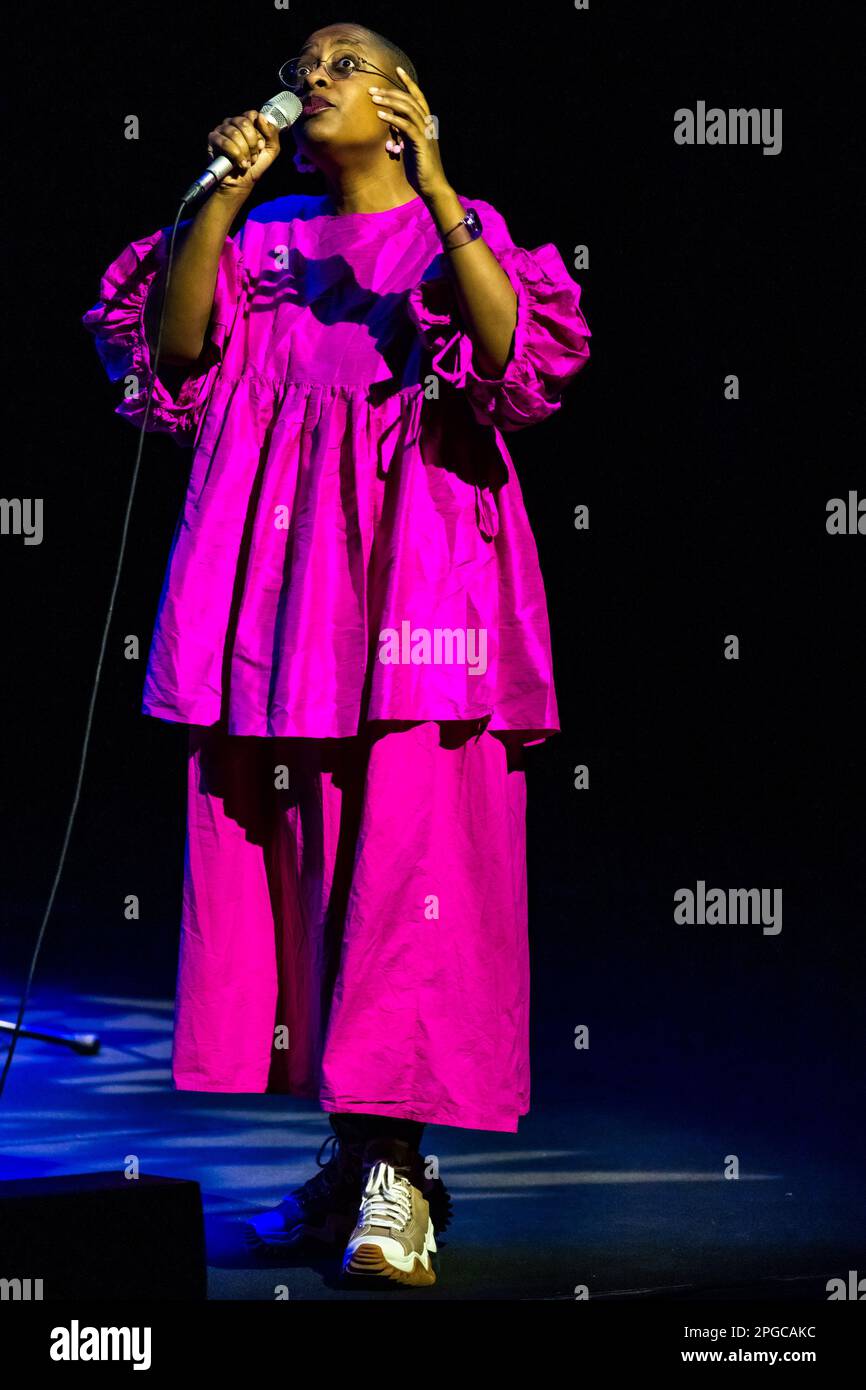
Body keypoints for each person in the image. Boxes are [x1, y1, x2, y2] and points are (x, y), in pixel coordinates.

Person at [81, 21, 591, 1288]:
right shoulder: (253, 241)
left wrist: (438, 190)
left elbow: (512, 359)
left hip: (418, 585)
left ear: (408, 99)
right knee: (303, 876)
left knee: (407, 870)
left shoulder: (450, 231)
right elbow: (175, 352)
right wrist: (217, 191)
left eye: (350, 62)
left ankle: (393, 1180)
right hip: (280, 591)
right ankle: (362, 1163)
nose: (317, 76)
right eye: (305, 62)